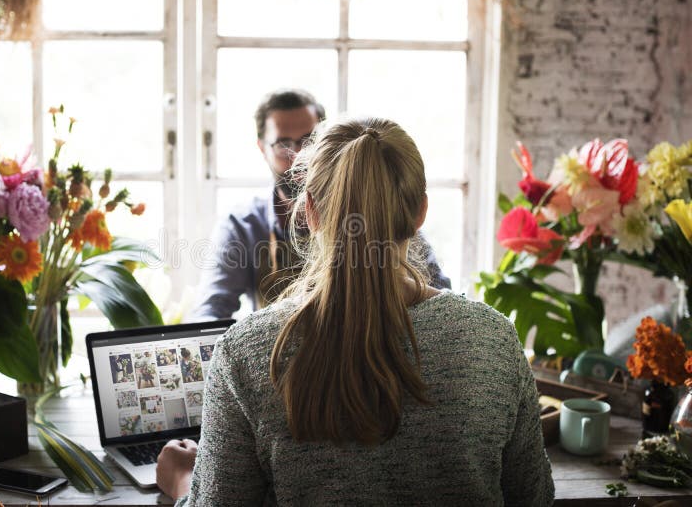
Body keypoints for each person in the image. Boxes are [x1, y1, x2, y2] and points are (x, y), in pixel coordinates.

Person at [156, 117, 554, 504]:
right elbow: (533, 496)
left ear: (308, 212)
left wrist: (182, 480)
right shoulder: (492, 337)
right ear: (420, 213)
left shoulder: (247, 351)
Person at [187, 89, 451, 321]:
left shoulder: (379, 210)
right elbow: (209, 312)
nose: (298, 156)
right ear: (261, 148)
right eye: (283, 144)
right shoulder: (242, 226)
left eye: (307, 140)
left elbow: (439, 298)